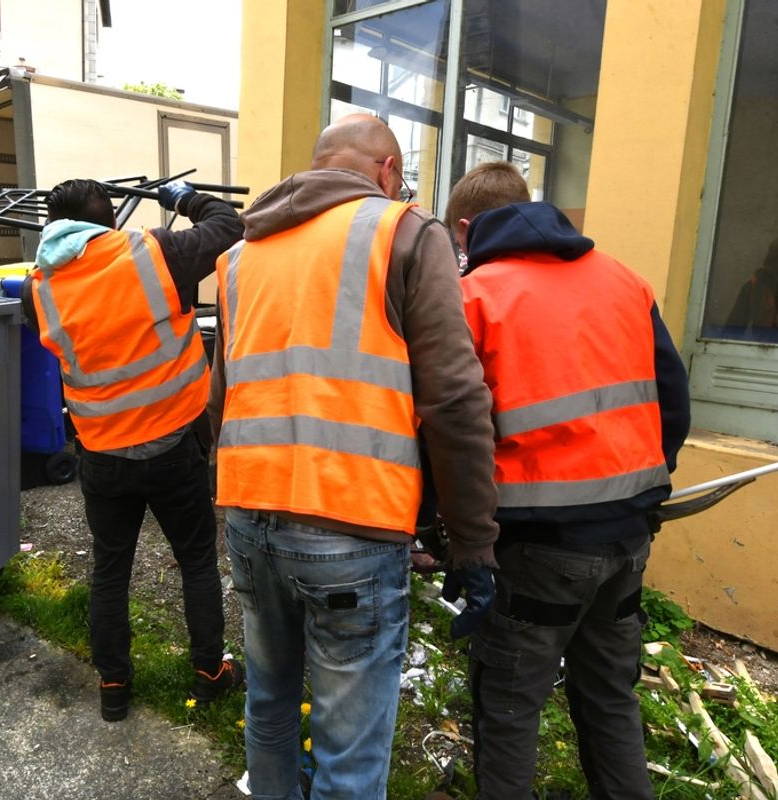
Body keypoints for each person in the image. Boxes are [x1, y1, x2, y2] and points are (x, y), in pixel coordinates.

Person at [209, 114, 501, 799]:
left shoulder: (240, 258)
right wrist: (473, 542)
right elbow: (456, 401)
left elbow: (222, 402)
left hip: (250, 518)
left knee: (271, 707)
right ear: (388, 170)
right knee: (349, 751)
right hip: (349, 528)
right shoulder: (402, 230)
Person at [446, 161, 691, 800]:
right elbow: (674, 402)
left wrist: (444, 527)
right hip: (627, 539)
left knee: (509, 709)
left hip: (535, 550)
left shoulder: (476, 297)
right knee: (611, 698)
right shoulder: (626, 282)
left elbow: (451, 427)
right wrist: (637, 488)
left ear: (467, 230)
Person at [20, 177, 245, 722]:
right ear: (109, 220)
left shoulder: (37, 288)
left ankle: (114, 685)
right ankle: (210, 672)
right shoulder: (153, 251)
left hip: (102, 455)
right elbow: (230, 226)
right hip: (173, 444)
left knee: (111, 568)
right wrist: (179, 197)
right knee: (195, 561)